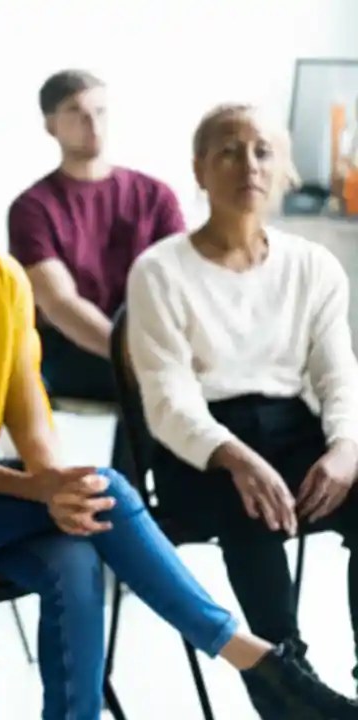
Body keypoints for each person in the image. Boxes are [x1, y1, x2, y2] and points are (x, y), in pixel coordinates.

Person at [0, 98, 358, 720]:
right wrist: (43, 487)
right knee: (106, 491)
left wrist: (55, 482)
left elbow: (27, 406)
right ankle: (258, 660)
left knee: (76, 544)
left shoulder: (0, 276)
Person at [129, 103, 358, 700]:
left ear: (283, 169)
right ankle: (289, 684)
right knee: (248, 501)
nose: (248, 165)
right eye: (228, 151)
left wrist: (345, 449)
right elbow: (168, 399)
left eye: (262, 151)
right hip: (200, 448)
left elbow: (338, 374)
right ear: (199, 170)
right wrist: (236, 457)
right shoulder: (159, 271)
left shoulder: (314, 266)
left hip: (291, 427)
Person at [8, 70, 186, 409]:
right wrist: (128, 355)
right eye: (76, 112)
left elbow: (181, 284)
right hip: (74, 350)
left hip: (149, 340)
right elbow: (59, 304)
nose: (92, 123)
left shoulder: (155, 195)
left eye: (100, 111)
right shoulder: (32, 208)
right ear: (50, 125)